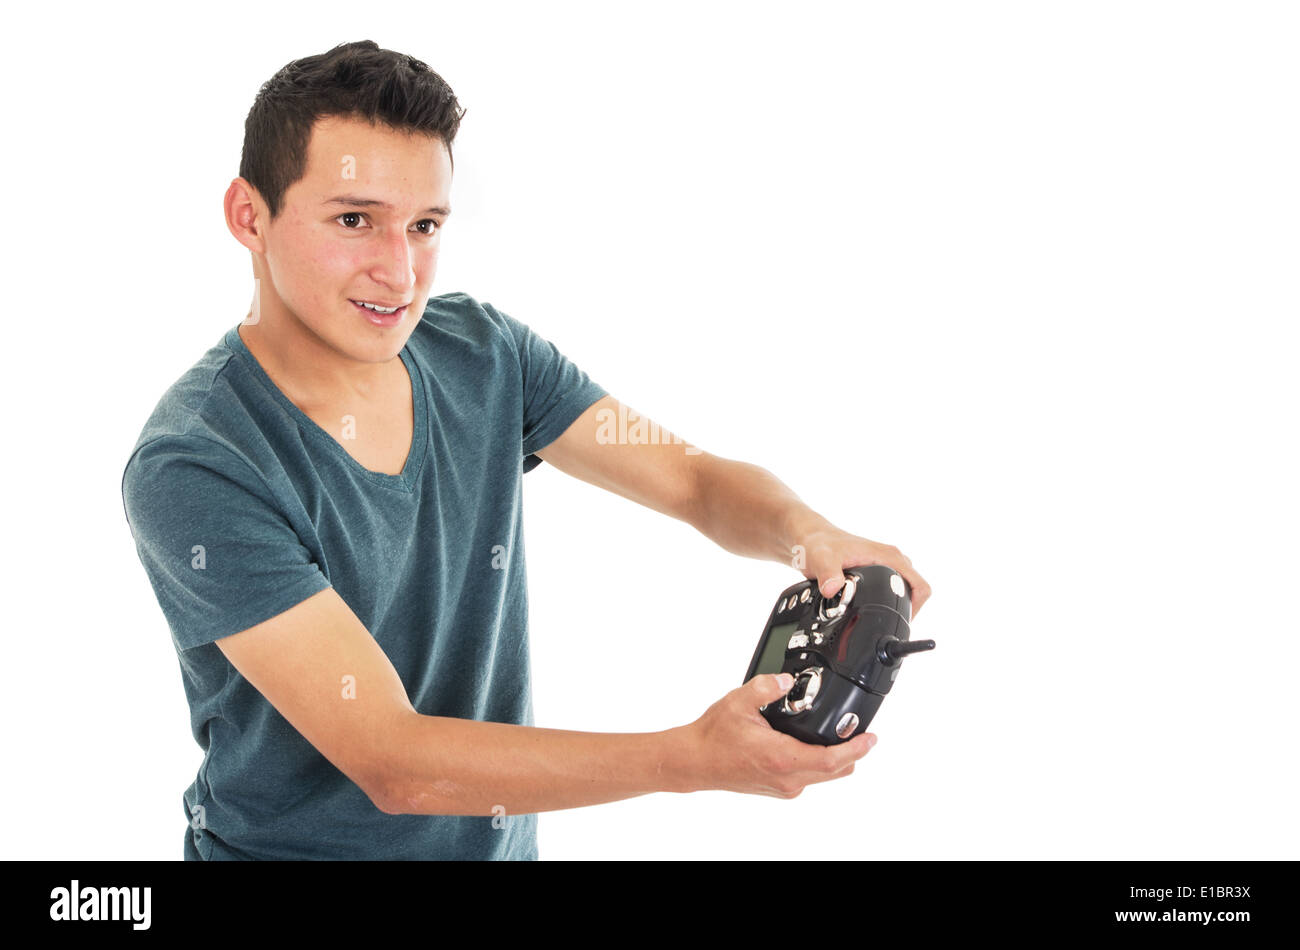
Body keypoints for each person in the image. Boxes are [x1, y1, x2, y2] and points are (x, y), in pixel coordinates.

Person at [120, 39, 932, 860]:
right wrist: (687, 760)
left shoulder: (486, 354)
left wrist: (807, 532)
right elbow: (395, 763)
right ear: (248, 215)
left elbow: (690, 480)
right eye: (354, 219)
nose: (400, 273)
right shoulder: (198, 461)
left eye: (425, 225)